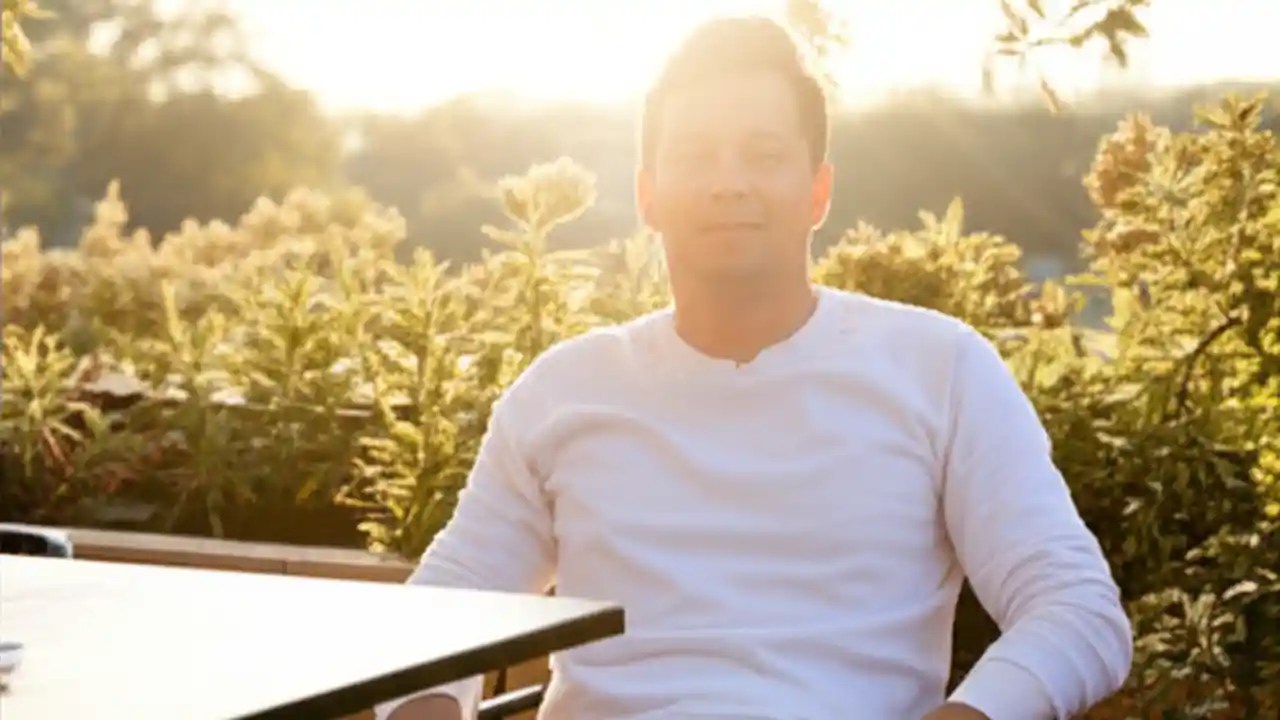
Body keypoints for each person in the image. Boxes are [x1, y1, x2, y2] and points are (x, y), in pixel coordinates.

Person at [377, 14, 1132, 720]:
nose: (728, 182)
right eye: (696, 156)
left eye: (764, 156)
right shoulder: (562, 392)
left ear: (818, 193)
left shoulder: (940, 370)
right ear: (647, 195)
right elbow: (440, 613)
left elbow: (1076, 608)